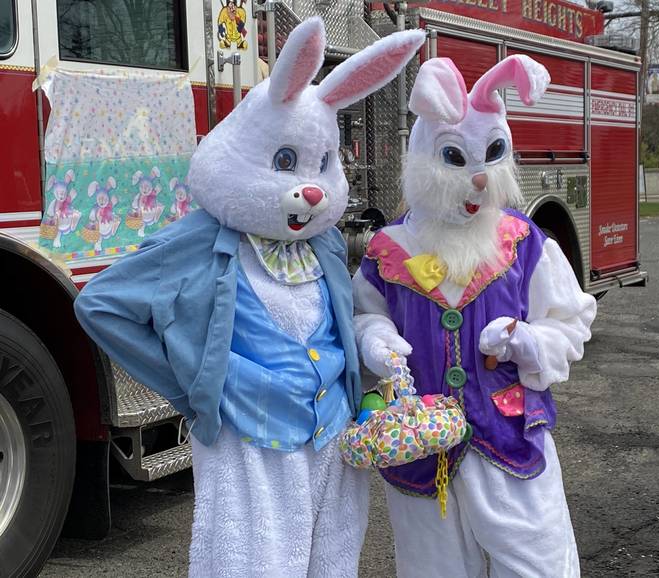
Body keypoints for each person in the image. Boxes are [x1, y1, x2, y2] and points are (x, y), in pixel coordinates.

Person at [74, 18, 424, 577]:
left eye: (320, 166)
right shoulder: (201, 239)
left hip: (332, 435)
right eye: (286, 162)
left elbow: (345, 319)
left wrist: (372, 346)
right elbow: (100, 305)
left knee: (332, 560)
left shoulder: (326, 242)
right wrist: (190, 380)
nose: (309, 187)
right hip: (253, 440)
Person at [353, 55, 597, 577]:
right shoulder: (387, 250)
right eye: (456, 159)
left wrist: (525, 341)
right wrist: (376, 339)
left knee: (536, 562)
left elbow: (571, 320)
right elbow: (362, 315)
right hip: (421, 449)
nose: (479, 180)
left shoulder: (523, 243)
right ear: (423, 156)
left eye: (491, 155)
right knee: (432, 567)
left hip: (508, 438)